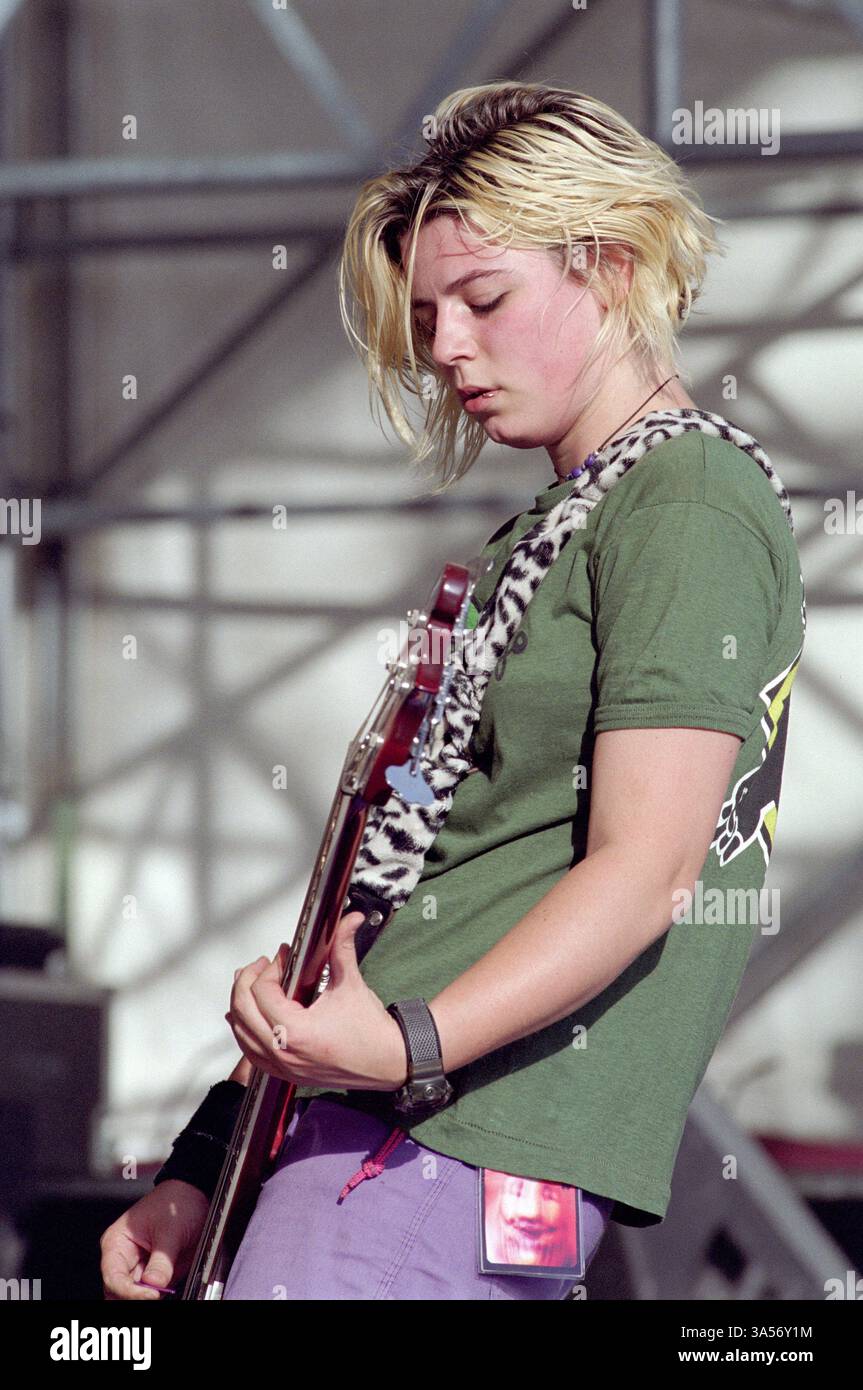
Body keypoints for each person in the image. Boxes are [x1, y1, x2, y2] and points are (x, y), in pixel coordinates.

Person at [100, 80, 806, 1301]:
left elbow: (649, 872)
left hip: (447, 1139)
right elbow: (401, 886)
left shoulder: (684, 503)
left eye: (484, 298)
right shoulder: (547, 530)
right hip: (390, 1130)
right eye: (429, 314)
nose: (445, 347)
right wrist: (213, 1155)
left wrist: (405, 1041)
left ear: (613, 264)